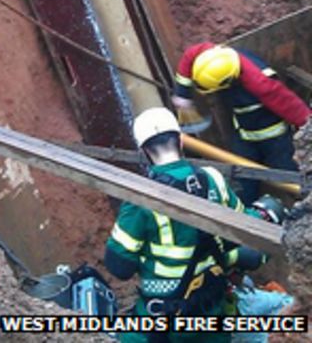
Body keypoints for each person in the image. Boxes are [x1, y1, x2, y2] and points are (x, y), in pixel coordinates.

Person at [104, 107, 276, 342]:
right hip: (213, 311)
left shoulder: (139, 200)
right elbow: (243, 231)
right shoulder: (213, 179)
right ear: (180, 141)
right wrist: (264, 214)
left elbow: (119, 267)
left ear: (144, 152)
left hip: (166, 320)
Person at [172, 43, 311, 203]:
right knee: (242, 180)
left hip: (276, 140)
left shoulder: (262, 85)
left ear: (228, 81)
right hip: (244, 134)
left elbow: (295, 110)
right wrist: (182, 94)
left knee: (291, 180)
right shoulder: (215, 57)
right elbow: (190, 55)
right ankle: (244, 209)